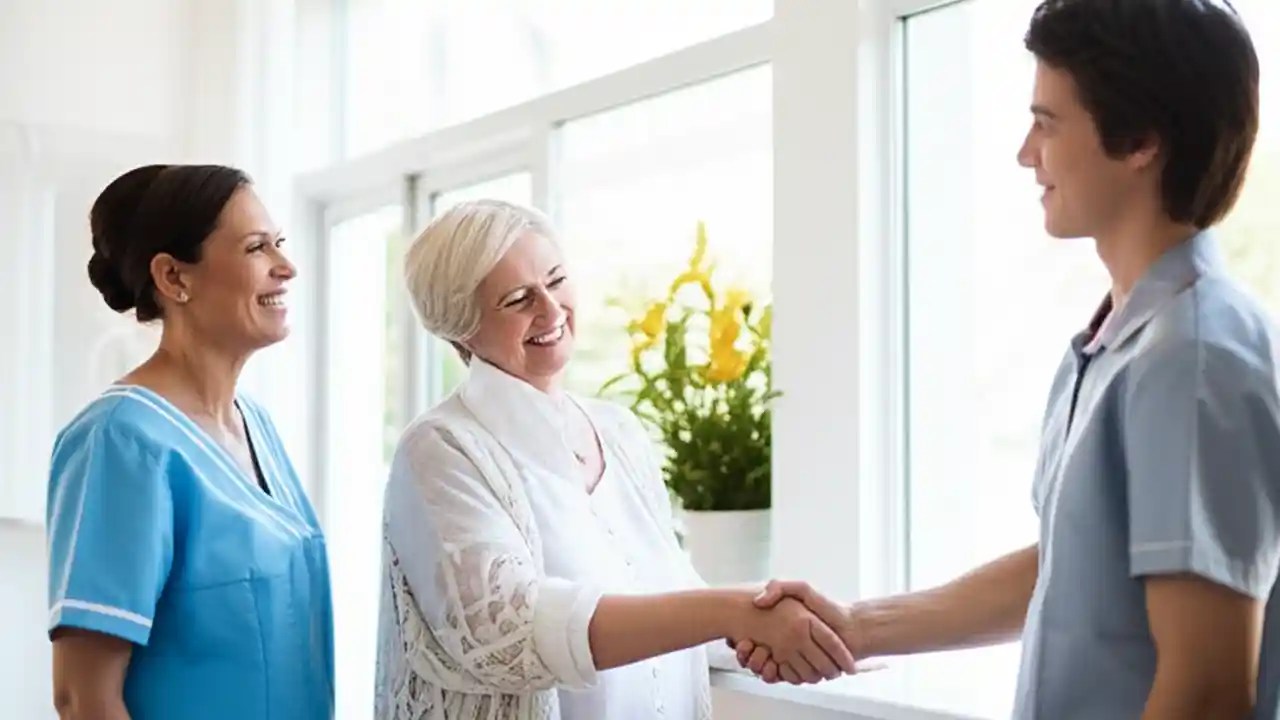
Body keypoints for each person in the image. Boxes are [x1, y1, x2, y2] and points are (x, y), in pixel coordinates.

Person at [738, 0, 1280, 717]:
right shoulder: (1117, 342)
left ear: (1140, 139)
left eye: (1047, 123)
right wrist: (858, 627)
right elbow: (1070, 568)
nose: (1027, 153)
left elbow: (1209, 690)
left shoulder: (1197, 357)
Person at [374, 199, 856, 719]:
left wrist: (792, 627)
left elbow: (674, 599)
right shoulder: (442, 449)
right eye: (518, 299)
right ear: (460, 326)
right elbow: (513, 631)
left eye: (556, 280)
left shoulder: (619, 433)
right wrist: (732, 610)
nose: (552, 311)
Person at [46, 164, 334, 720]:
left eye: (279, 243)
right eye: (256, 247)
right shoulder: (121, 441)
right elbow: (83, 699)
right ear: (174, 276)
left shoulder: (256, 425)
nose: (286, 267)